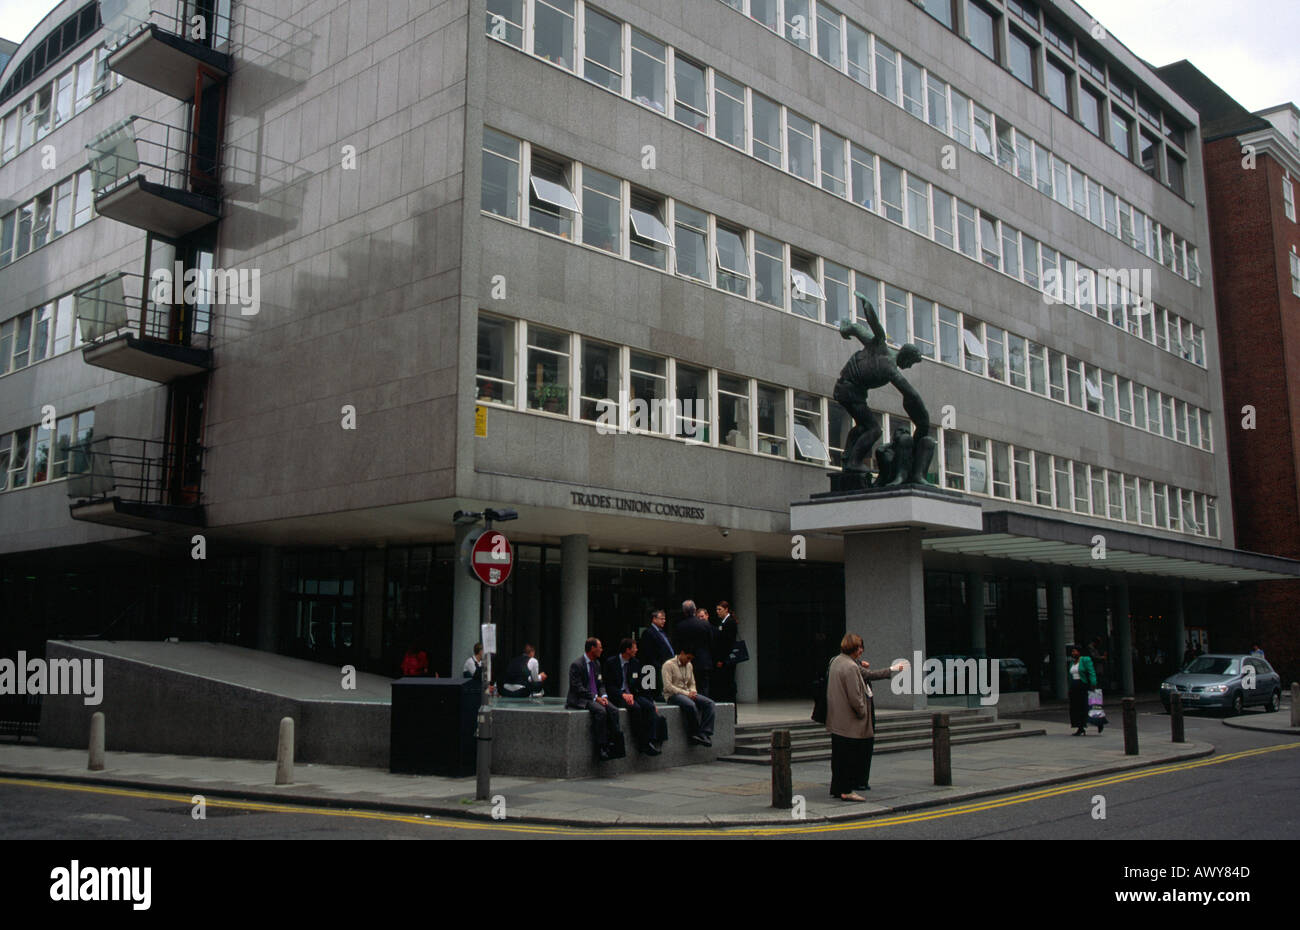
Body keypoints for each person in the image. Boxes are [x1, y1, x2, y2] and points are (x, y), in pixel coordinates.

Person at [835, 297, 935, 486]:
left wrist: (847, 328)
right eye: (911, 363)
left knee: (863, 426)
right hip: (850, 391)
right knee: (874, 429)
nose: (909, 367)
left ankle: (848, 457)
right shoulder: (889, 366)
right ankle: (854, 462)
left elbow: (860, 330)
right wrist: (922, 418)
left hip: (846, 390)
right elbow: (909, 393)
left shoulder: (878, 347)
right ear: (906, 357)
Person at [826, 634, 902, 801]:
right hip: (849, 722)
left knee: (838, 757)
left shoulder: (836, 662)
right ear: (853, 648)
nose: (861, 650)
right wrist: (863, 712)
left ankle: (837, 788)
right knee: (849, 757)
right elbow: (855, 697)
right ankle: (847, 790)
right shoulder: (851, 667)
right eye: (859, 647)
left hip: (837, 720)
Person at [566, 638, 623, 761]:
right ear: (592, 649)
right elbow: (577, 687)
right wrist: (595, 697)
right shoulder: (577, 665)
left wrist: (603, 696)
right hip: (582, 699)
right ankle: (600, 747)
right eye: (600, 647)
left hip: (596, 697)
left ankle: (614, 742)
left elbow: (600, 683)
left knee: (613, 710)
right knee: (600, 711)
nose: (602, 650)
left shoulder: (597, 664)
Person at [606, 638, 661, 755]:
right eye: (635, 647)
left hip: (633, 694)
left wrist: (652, 701)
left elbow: (642, 685)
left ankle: (650, 740)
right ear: (627, 650)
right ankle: (642, 742)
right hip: (618, 695)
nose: (637, 650)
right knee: (635, 708)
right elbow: (608, 686)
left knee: (649, 707)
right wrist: (622, 694)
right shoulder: (611, 662)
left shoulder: (635, 663)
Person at [662, 647, 715, 746]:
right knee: (690, 705)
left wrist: (693, 691)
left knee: (710, 703)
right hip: (673, 695)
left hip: (688, 693)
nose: (688, 661)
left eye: (691, 659)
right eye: (688, 658)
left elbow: (692, 682)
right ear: (682, 653)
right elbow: (668, 686)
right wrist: (687, 694)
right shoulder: (668, 665)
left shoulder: (689, 665)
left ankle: (705, 732)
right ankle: (695, 733)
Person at [676, 606, 715, 697]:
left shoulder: (680, 626)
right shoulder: (705, 625)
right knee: (703, 687)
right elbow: (711, 642)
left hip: (686, 660)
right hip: (703, 660)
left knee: (687, 687)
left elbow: (677, 644)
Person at [640, 609, 675, 700]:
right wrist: (657, 664)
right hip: (656, 666)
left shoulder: (662, 632)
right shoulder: (649, 632)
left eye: (664, 619)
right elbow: (648, 652)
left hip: (667, 664)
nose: (664, 621)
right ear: (654, 619)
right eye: (662, 619)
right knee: (658, 690)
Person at [1068, 644, 1098, 736]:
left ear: (1079, 652)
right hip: (1074, 687)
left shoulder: (1085, 660)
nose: (1073, 653)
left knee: (1085, 706)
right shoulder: (1072, 663)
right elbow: (1070, 675)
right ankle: (1079, 727)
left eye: (1074, 651)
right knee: (1075, 707)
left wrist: (1093, 683)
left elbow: (1091, 671)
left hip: (1082, 685)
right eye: (1072, 652)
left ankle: (1098, 722)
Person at [712, 601, 739, 703]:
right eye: (717, 609)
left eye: (720, 609)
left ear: (726, 609)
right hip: (724, 658)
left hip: (727, 659)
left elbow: (727, 644)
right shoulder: (722, 622)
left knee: (728, 682)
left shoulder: (730, 623)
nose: (717, 612)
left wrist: (721, 659)